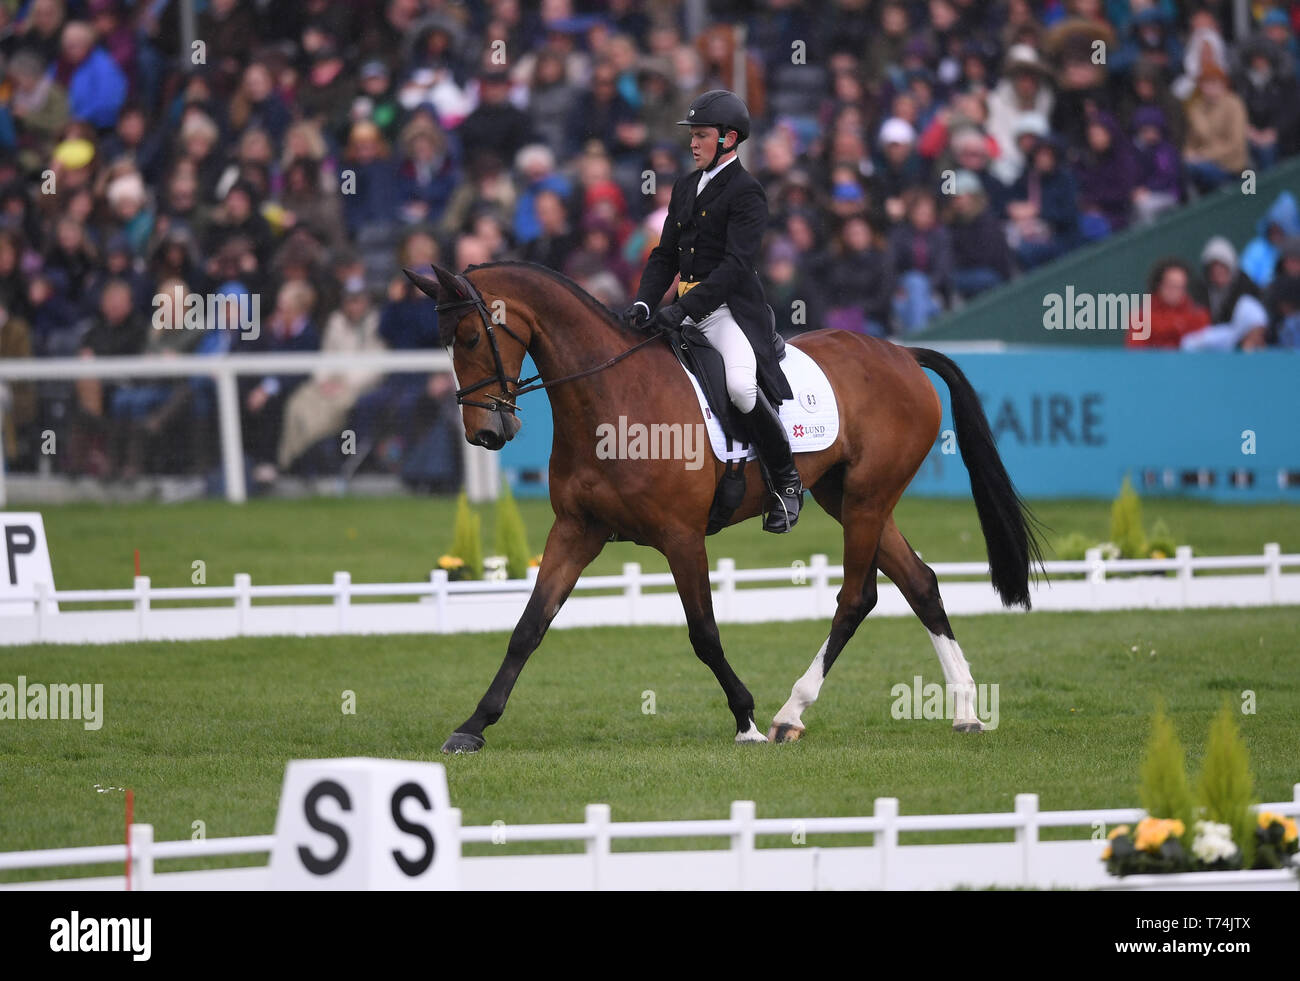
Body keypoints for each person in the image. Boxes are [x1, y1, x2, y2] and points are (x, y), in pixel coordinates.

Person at [621, 89, 801, 533]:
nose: (693, 143)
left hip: (726, 313)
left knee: (740, 387)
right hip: (683, 308)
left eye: (701, 135)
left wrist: (682, 309)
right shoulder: (684, 187)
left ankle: (786, 481)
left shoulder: (747, 193)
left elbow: (735, 267)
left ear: (729, 138)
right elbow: (664, 255)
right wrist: (646, 300)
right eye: (693, 136)